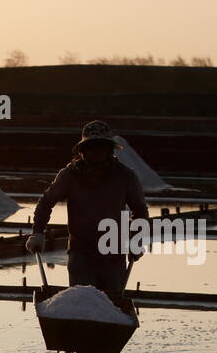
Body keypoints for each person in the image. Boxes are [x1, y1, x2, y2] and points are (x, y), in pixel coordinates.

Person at [26, 120, 148, 294]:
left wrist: (137, 239)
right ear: (82, 150)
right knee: (82, 301)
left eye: (101, 147)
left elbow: (140, 210)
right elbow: (46, 202)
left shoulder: (124, 176)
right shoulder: (70, 175)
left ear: (109, 149)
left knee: (111, 303)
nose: (95, 152)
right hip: (81, 251)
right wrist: (38, 232)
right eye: (90, 147)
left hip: (113, 253)